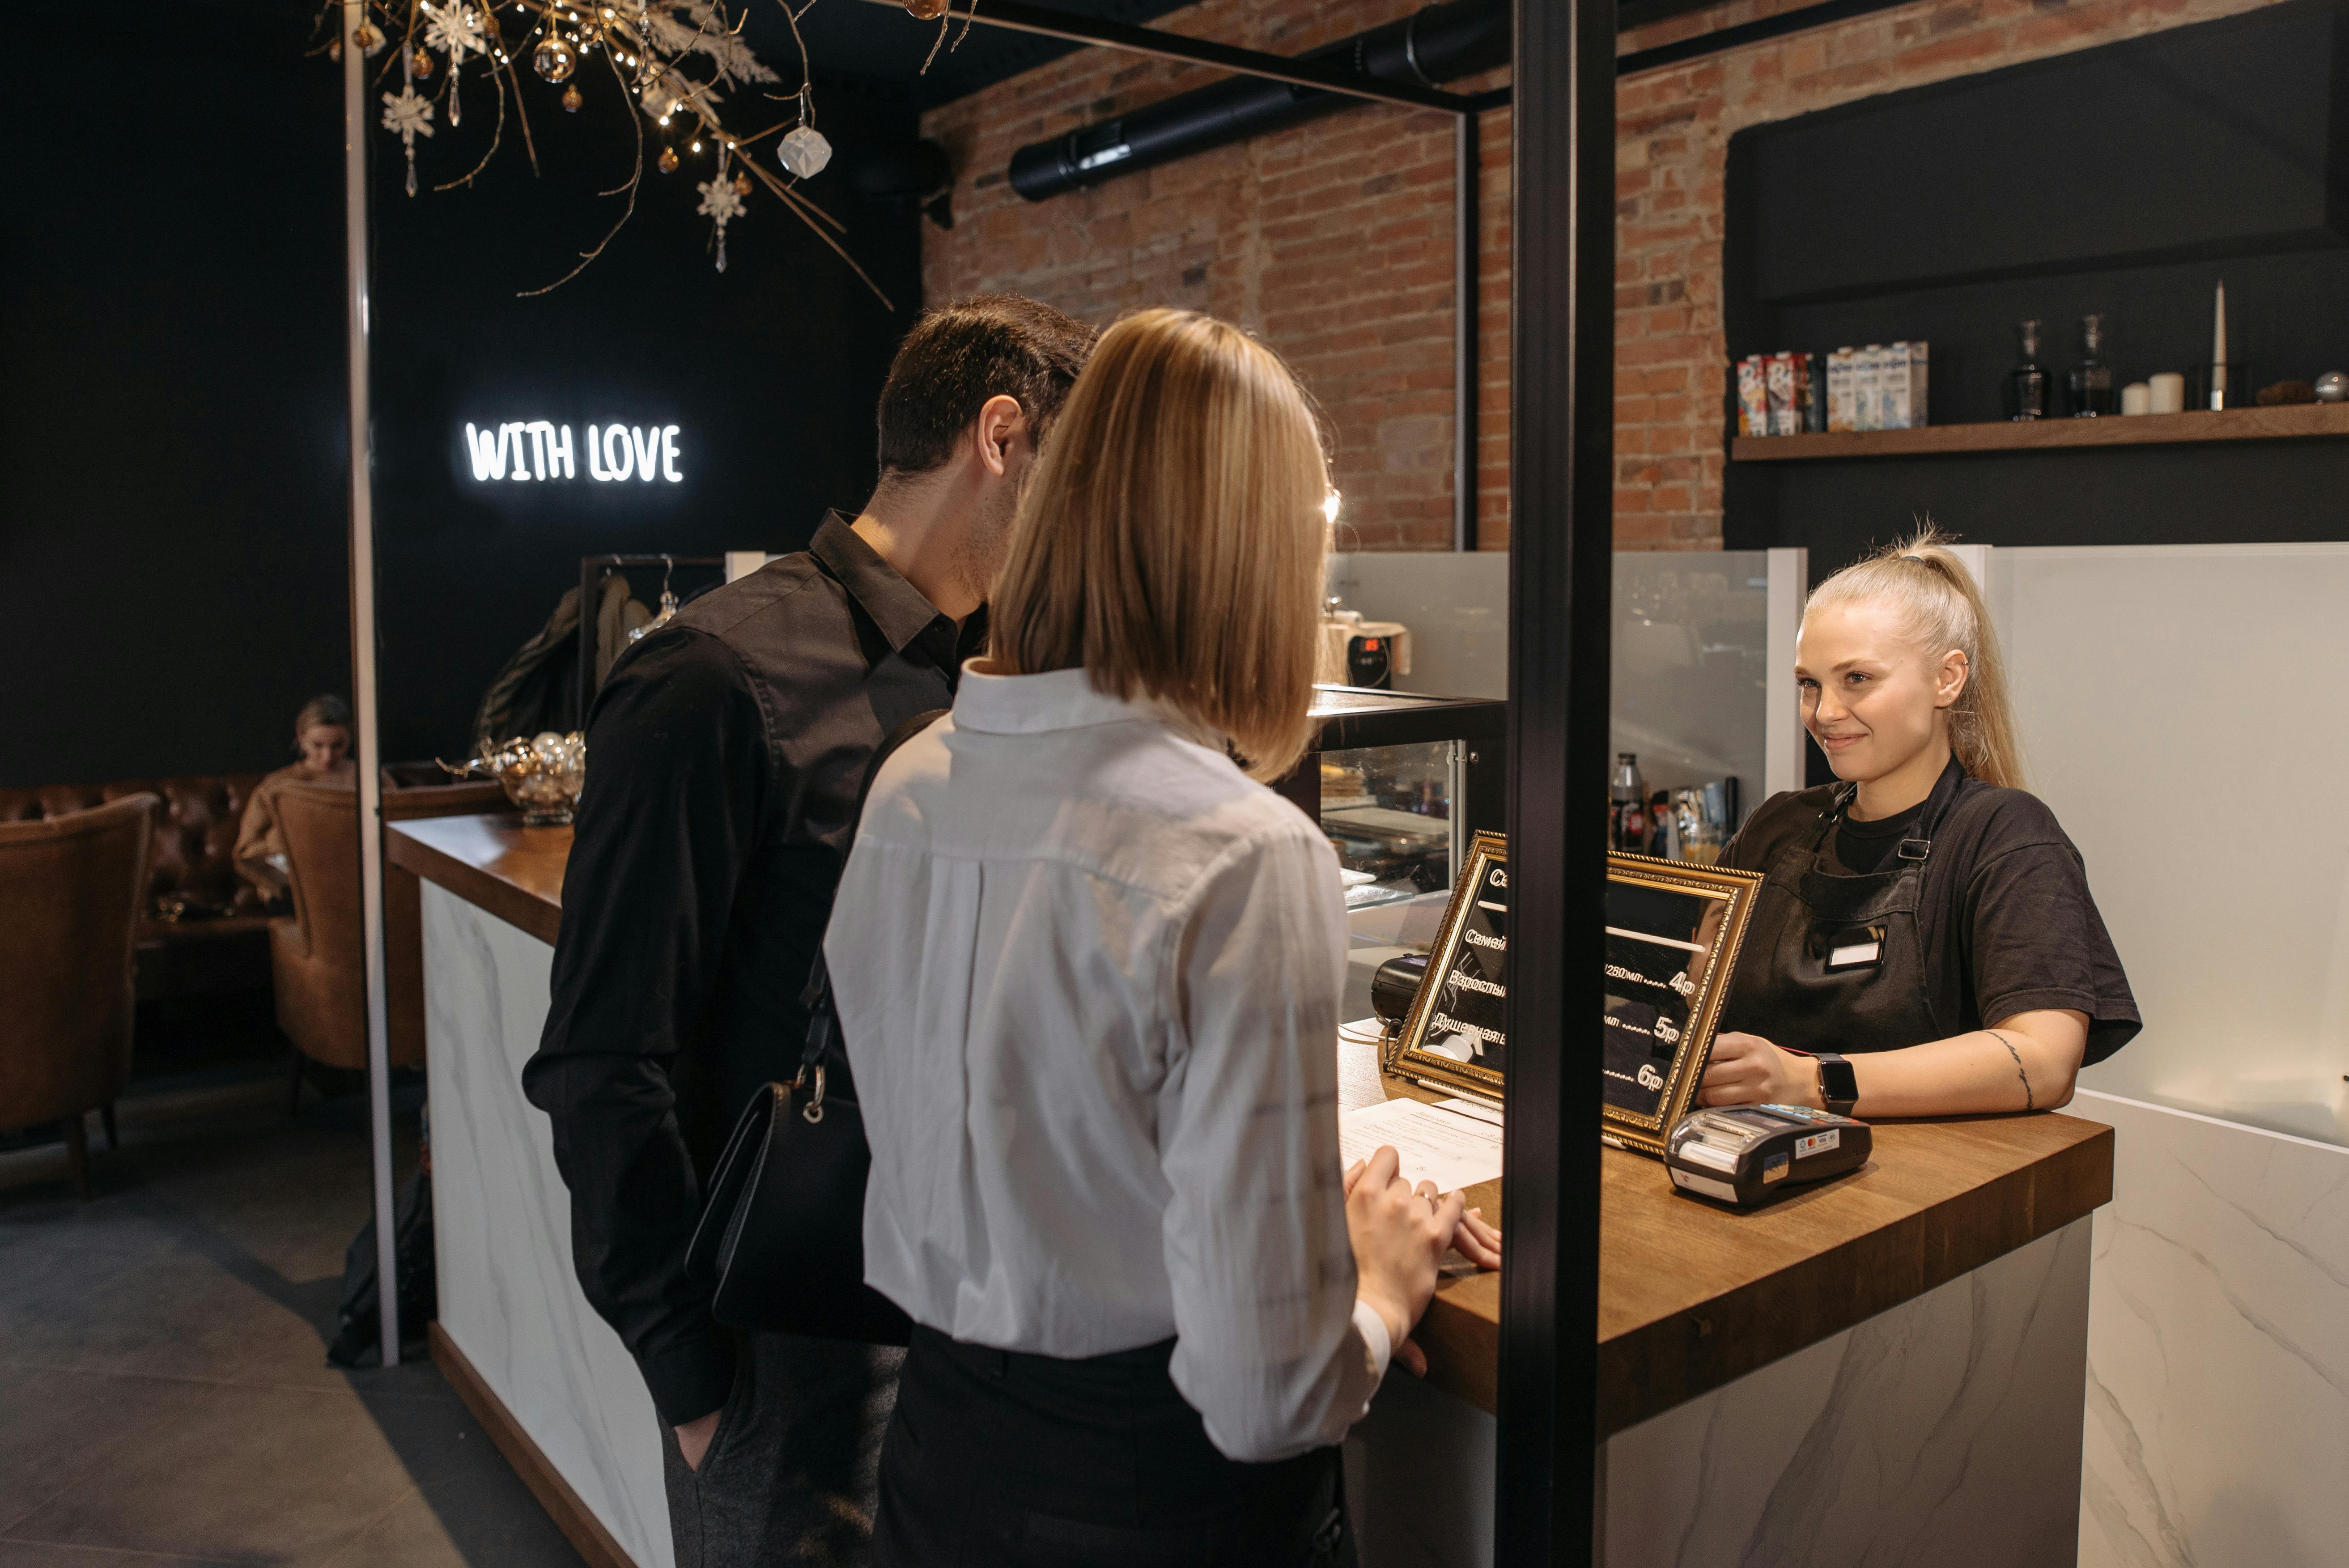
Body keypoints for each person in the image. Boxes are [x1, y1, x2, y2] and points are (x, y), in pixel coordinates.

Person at [825, 309, 1501, 1568]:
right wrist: (1373, 1287)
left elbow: (1044, 1152)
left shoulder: (911, 780)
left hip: (934, 1463)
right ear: (1250, 561)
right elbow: (1265, 1399)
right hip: (1153, 1506)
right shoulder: (1240, 853)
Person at [521, 295, 1097, 1568]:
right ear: (1000, 438)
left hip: (958, 1317)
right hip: (786, 1352)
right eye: (1076, 473)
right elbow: (601, 1063)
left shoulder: (982, 675)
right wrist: (695, 1386)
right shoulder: (713, 675)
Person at [1700, 530, 2139, 1118]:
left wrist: (1809, 1082)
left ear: (1946, 678)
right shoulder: (1778, 827)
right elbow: (1690, 987)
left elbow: (2041, 1061)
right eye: (1810, 684)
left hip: (1925, 1193)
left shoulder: (2003, 837)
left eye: (1856, 679)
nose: (1825, 712)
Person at [233, 694, 356, 900]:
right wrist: (288, 843)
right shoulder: (276, 786)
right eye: (318, 745)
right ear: (301, 736)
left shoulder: (369, 779)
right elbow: (244, 852)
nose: (327, 756)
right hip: (296, 889)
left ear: (350, 737)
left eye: (337, 746)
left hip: (353, 881)